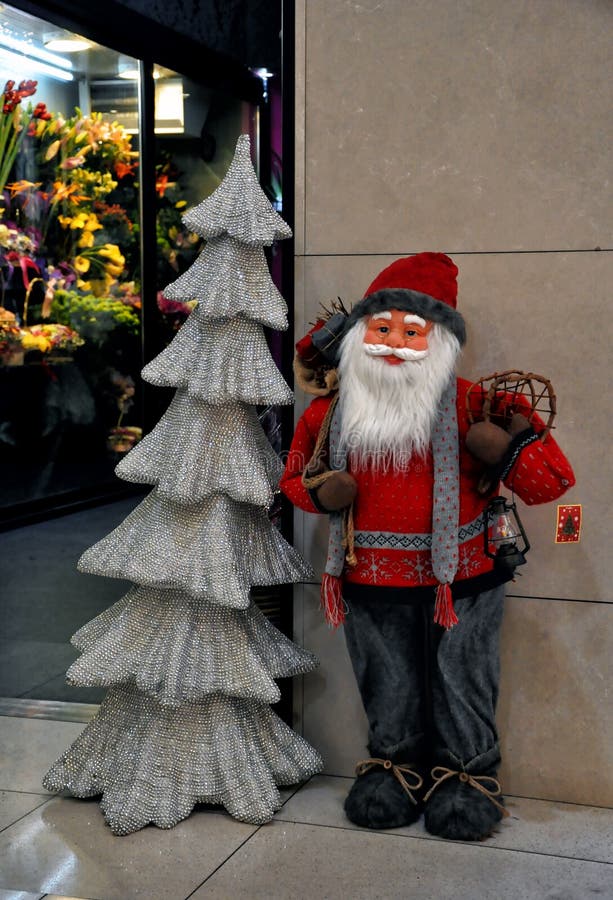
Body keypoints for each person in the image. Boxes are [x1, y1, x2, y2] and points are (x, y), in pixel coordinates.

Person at [280, 252, 575, 840]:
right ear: (359, 333)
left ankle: (469, 775)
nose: (394, 344)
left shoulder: (476, 403)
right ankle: (395, 768)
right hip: (368, 573)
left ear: (439, 341)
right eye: (382, 328)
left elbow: (552, 483)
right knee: (385, 676)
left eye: (412, 332)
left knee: (464, 675)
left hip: (463, 576)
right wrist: (324, 492)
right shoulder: (329, 413)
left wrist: (506, 449)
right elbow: (294, 478)